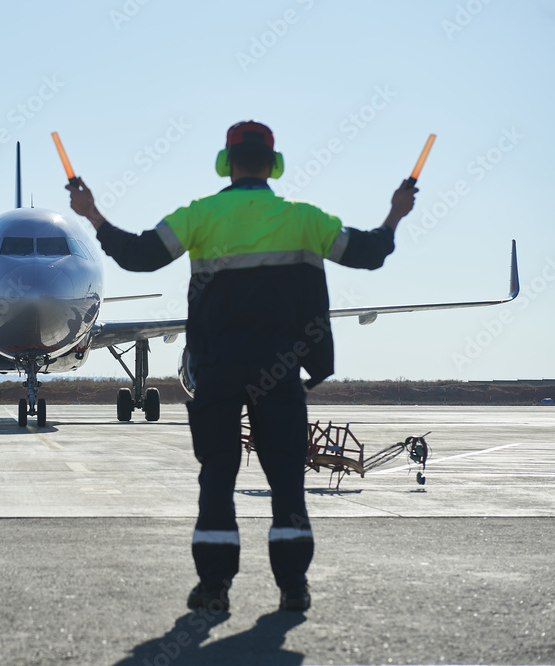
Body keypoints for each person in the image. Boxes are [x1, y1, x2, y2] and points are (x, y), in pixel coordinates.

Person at [66, 120, 417, 612]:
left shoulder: (201, 216)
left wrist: (92, 214)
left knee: (217, 477)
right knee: (287, 481)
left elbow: (139, 256)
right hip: (280, 368)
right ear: (272, 165)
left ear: (226, 164)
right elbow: (368, 254)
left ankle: (214, 589)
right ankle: (293, 587)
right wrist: (395, 214)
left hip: (217, 368)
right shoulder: (303, 219)